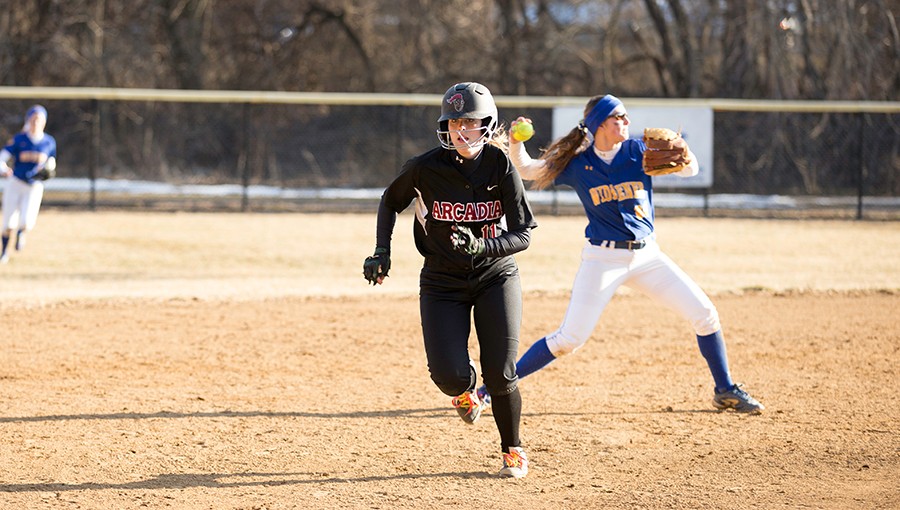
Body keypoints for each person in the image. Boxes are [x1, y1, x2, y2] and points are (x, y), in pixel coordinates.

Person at [477, 94, 764, 414]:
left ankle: (725, 390)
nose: (626, 123)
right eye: (618, 118)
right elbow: (529, 169)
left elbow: (689, 170)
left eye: (626, 117)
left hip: (648, 256)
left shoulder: (638, 150)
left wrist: (686, 154)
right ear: (599, 123)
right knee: (568, 339)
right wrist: (516, 142)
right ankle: (490, 388)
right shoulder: (578, 163)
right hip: (603, 259)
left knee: (705, 314)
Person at [363, 82, 537, 478]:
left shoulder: (500, 166)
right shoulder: (426, 167)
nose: (462, 131)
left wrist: (482, 248)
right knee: (448, 376)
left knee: (501, 371)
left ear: (487, 125)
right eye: (454, 122)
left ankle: (513, 449)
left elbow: (523, 234)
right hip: (442, 280)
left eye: (471, 123)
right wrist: (382, 251)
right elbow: (391, 201)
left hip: (496, 276)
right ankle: (465, 391)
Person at [0, 105, 57, 264]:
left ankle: (21, 233)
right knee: (8, 223)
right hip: (16, 183)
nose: (36, 123)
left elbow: (51, 162)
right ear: (28, 120)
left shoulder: (48, 142)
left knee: (26, 222)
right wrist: (4, 169)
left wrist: (48, 170)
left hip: (34, 186)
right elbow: (2, 157)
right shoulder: (20, 139)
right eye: (34, 119)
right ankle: (3, 252)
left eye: (40, 120)